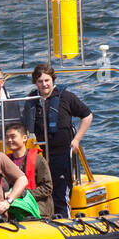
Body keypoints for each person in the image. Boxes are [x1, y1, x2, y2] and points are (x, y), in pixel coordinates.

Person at [22, 63, 93, 218]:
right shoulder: (31, 101)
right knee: (40, 191)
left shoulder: (66, 97)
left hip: (62, 153)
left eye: (47, 80)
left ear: (53, 80)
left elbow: (87, 116)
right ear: (36, 82)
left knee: (60, 192)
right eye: (40, 81)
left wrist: (77, 139)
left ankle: (64, 220)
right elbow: (23, 126)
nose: (44, 84)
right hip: (40, 155)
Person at [5, 123, 54, 220]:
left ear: (24, 138)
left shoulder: (38, 160)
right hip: (12, 208)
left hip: (38, 208)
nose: (9, 140)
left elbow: (47, 187)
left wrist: (23, 195)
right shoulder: (5, 161)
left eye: (13, 137)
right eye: (7, 137)